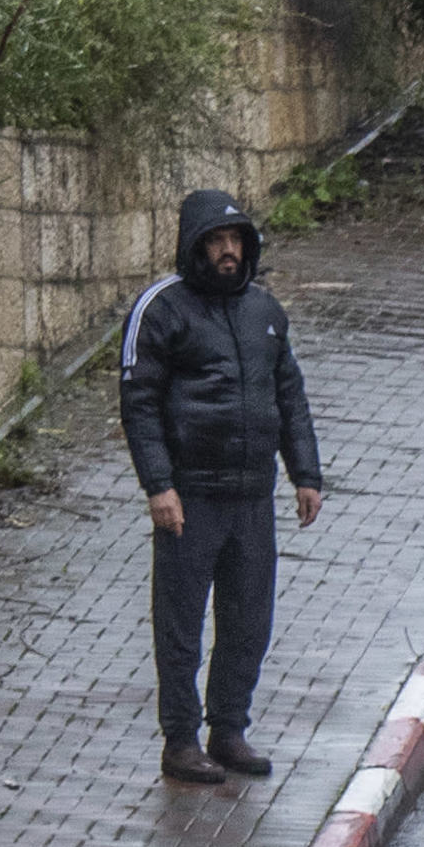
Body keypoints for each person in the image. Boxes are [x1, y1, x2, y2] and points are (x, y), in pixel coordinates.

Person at [120, 190, 323, 785]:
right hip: (190, 496)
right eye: (216, 241)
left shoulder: (264, 310)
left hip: (252, 496)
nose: (228, 251)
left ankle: (228, 729)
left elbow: (290, 396)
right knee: (180, 622)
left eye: (236, 241)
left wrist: (305, 473)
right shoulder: (161, 309)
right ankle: (180, 740)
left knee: (248, 619)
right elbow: (139, 405)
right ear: (195, 246)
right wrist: (159, 486)